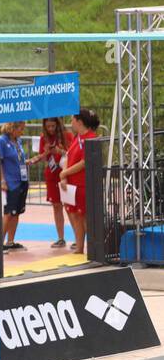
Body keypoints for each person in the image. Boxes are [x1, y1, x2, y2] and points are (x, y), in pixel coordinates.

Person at [59, 109, 100, 255]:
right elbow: (68, 157)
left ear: (79, 122)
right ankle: (80, 247)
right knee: (75, 216)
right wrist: (63, 176)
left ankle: (94, 248)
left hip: (82, 184)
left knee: (85, 217)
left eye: (72, 120)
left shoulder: (90, 138)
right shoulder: (77, 138)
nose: (71, 123)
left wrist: (65, 172)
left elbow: (84, 162)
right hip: (71, 185)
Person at [32, 116, 74, 247]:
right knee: (56, 206)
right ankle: (61, 238)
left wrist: (60, 151)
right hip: (51, 174)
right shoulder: (43, 138)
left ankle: (78, 238)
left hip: (65, 175)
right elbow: (43, 157)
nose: (50, 129)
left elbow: (72, 154)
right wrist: (45, 153)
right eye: (48, 126)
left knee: (69, 207)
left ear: (58, 124)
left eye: (53, 126)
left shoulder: (67, 135)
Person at [0, 121, 29, 250]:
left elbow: (19, 159)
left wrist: (29, 161)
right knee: (9, 212)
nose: (22, 132)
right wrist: (2, 180)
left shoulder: (18, 141)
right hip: (10, 181)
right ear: (13, 128)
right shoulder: (1, 141)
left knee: (16, 212)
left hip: (21, 179)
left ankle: (10, 241)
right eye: (21, 129)